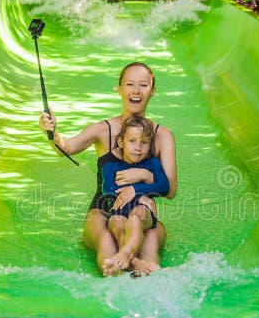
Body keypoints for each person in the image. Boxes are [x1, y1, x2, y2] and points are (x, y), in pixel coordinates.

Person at [38, 62, 177, 276]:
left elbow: (171, 190)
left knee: (149, 240)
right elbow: (66, 147)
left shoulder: (162, 135)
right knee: (106, 240)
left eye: (143, 85)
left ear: (152, 91)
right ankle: (121, 271)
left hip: (141, 212)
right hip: (103, 211)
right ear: (119, 88)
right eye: (129, 84)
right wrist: (53, 133)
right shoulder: (101, 130)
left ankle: (148, 278)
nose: (136, 91)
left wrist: (142, 179)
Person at [100, 116, 169, 275]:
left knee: (135, 217)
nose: (138, 147)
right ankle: (135, 262)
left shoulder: (152, 164)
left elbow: (164, 186)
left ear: (149, 145)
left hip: (142, 211)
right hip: (117, 212)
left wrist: (135, 190)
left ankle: (125, 254)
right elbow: (108, 191)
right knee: (118, 223)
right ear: (120, 142)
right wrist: (144, 192)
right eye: (132, 141)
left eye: (144, 142)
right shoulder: (110, 167)